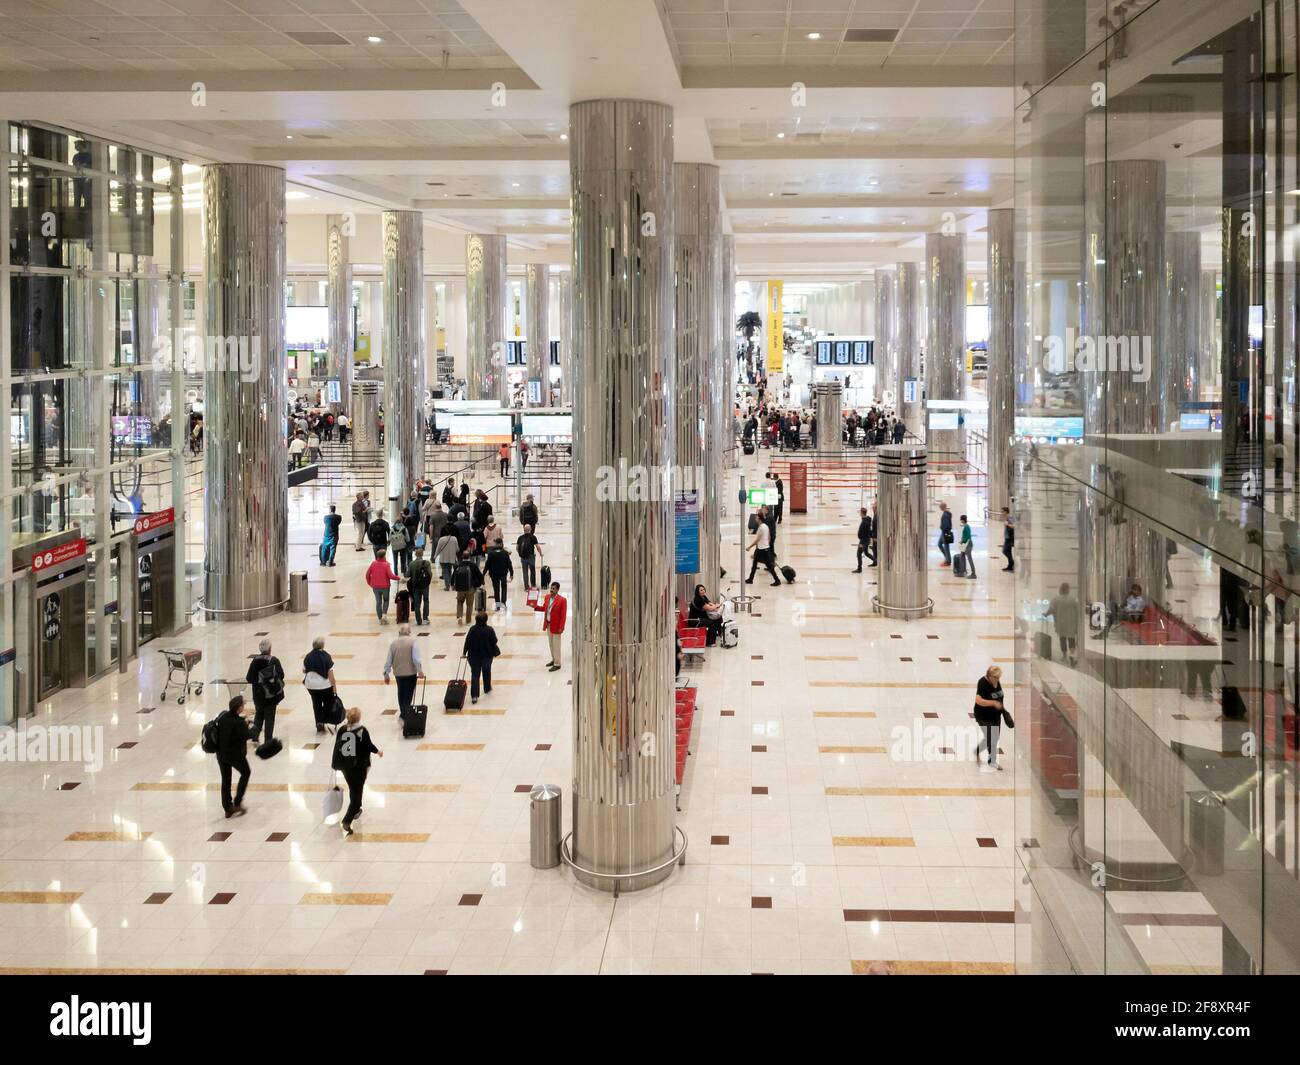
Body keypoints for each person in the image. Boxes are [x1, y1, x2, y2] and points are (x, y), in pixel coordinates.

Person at [332, 707, 382, 836]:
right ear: (358, 718)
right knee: (357, 793)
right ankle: (347, 820)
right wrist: (378, 752)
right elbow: (368, 745)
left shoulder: (342, 730)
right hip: (359, 767)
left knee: (353, 788)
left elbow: (338, 745)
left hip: (345, 766)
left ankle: (357, 809)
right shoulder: (361, 731)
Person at [215, 695, 255, 818]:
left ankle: (227, 808)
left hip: (221, 754)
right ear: (239, 708)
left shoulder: (223, 716)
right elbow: (248, 734)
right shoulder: (238, 723)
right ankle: (237, 802)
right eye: (243, 705)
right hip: (235, 755)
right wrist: (251, 726)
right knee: (246, 772)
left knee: (226, 779)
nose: (244, 706)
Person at [244, 638, 285, 745]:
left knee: (259, 715)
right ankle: (268, 740)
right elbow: (281, 675)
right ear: (270, 648)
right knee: (269, 718)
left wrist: (258, 682)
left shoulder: (255, 661)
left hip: (258, 695)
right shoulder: (274, 660)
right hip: (271, 695)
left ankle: (255, 737)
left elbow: (249, 678)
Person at [383, 623, 424, 722]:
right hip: (410, 673)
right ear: (409, 632)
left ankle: (404, 714)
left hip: (399, 674)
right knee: (408, 695)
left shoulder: (393, 644)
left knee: (401, 694)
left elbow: (389, 660)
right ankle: (404, 715)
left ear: (399, 632)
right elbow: (416, 659)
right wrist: (420, 671)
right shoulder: (412, 642)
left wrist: (386, 673)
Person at [462, 609, 501, 704]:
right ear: (486, 620)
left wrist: (464, 652)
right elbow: (495, 641)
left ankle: (474, 696)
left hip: (473, 656)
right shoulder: (489, 630)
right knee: (487, 671)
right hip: (487, 656)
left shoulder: (472, 629)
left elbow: (467, 642)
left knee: (475, 675)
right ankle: (487, 688)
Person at [973, 665, 1006, 772]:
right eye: (995, 677)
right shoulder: (982, 683)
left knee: (994, 738)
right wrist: (993, 703)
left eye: (998, 678)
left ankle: (990, 760)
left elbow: (999, 696)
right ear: (990, 676)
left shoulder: (996, 682)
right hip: (983, 716)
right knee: (990, 737)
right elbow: (978, 700)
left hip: (996, 715)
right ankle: (989, 759)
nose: (997, 680)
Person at [303, 636, 338, 734]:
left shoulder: (308, 656)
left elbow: (304, 670)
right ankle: (323, 719)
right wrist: (334, 687)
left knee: (316, 703)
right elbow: (330, 674)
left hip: (311, 686)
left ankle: (319, 722)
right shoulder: (326, 656)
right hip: (324, 686)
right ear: (323, 645)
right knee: (327, 702)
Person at [533, 581, 567, 672]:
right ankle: (553, 659)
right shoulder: (547, 597)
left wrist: (561, 627)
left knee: (556, 645)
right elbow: (544, 608)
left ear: (557, 590)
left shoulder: (562, 600)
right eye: (551, 588)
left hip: (556, 626)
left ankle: (557, 663)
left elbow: (563, 616)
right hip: (548, 625)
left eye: (553, 589)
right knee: (551, 644)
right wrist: (535, 607)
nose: (551, 590)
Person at [1044, 582, 1081, 665]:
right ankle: (1072, 654)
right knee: (1071, 639)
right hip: (1072, 623)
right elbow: (1078, 612)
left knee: (1062, 639)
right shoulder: (1073, 599)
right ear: (1068, 590)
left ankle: (1064, 656)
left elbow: (1051, 609)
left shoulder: (1056, 599)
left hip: (1061, 623)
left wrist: (1046, 614)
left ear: (1060, 589)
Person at [745, 512, 781, 587]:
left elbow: (757, 540)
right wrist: (766, 543)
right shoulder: (765, 526)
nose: (755, 519)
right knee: (754, 564)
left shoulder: (761, 528)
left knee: (769, 566)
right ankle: (750, 579)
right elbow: (769, 537)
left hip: (762, 549)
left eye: (756, 517)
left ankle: (777, 580)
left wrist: (749, 547)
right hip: (762, 548)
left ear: (759, 519)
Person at [365, 550, 401, 623]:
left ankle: (380, 618)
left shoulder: (373, 563)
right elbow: (390, 575)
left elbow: (367, 575)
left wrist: (370, 583)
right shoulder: (386, 565)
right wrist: (398, 578)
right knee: (386, 600)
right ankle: (384, 616)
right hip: (385, 586)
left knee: (378, 602)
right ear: (384, 556)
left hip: (375, 586)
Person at [451, 550, 482, 624]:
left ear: (462, 557)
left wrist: (452, 585)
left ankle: (460, 616)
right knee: (469, 604)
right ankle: (468, 620)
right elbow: (479, 575)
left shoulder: (458, 565)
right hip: (470, 588)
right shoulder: (473, 565)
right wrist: (479, 584)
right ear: (469, 557)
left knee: (459, 602)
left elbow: (453, 576)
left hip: (460, 588)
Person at [484, 538, 514, 610]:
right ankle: (503, 604)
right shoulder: (505, 553)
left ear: (497, 544)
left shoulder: (491, 553)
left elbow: (487, 565)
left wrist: (483, 574)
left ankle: (498, 606)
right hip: (503, 574)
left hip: (494, 574)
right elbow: (509, 564)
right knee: (504, 589)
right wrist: (511, 573)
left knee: (496, 590)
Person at [407, 546, 433, 625]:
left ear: (415, 554)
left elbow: (408, 574)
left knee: (417, 603)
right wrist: (427, 582)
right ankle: (425, 618)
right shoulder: (427, 563)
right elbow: (430, 574)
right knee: (426, 601)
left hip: (416, 586)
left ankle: (418, 620)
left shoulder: (412, 563)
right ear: (422, 554)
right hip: (425, 586)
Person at [516, 523, 541, 591]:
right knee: (532, 571)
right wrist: (541, 553)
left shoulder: (520, 538)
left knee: (525, 572)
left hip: (523, 558)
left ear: (524, 530)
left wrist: (520, 554)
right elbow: (537, 546)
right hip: (531, 557)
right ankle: (533, 585)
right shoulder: (533, 537)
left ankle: (526, 587)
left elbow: (517, 548)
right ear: (530, 529)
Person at [435, 527, 460, 591]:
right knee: (451, 571)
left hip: (443, 558)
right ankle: (453, 585)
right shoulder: (454, 538)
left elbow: (438, 549)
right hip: (452, 558)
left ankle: (447, 586)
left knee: (446, 572)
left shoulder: (441, 539)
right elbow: (457, 549)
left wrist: (435, 556)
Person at [854, 507, 873, 573]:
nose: (859, 513)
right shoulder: (868, 520)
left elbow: (861, 533)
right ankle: (875, 560)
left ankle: (859, 568)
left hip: (863, 541)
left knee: (859, 554)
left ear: (862, 513)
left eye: (860, 512)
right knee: (866, 553)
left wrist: (860, 537)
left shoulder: (864, 522)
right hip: (867, 540)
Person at [959, 513, 976, 580]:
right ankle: (963, 571)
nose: (960, 521)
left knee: (969, 559)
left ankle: (973, 574)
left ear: (962, 520)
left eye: (961, 520)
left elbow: (968, 536)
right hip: (965, 544)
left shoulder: (966, 527)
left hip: (967, 544)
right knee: (961, 556)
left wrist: (962, 541)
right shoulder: (966, 526)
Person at [937, 501, 953, 568]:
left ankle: (948, 561)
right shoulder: (947, 513)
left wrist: (941, 527)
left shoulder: (945, 515)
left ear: (942, 507)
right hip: (944, 533)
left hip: (945, 533)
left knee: (946, 547)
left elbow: (946, 526)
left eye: (940, 507)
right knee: (939, 544)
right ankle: (946, 558)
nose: (939, 508)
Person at [1000, 507, 1015, 572]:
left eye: (1002, 511)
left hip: (1009, 538)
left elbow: (1014, 526)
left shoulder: (1010, 518)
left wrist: (1008, 524)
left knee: (1004, 551)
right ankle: (1010, 566)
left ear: (1006, 512)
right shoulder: (1006, 518)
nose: (1001, 513)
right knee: (1008, 552)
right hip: (1007, 537)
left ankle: (1012, 562)